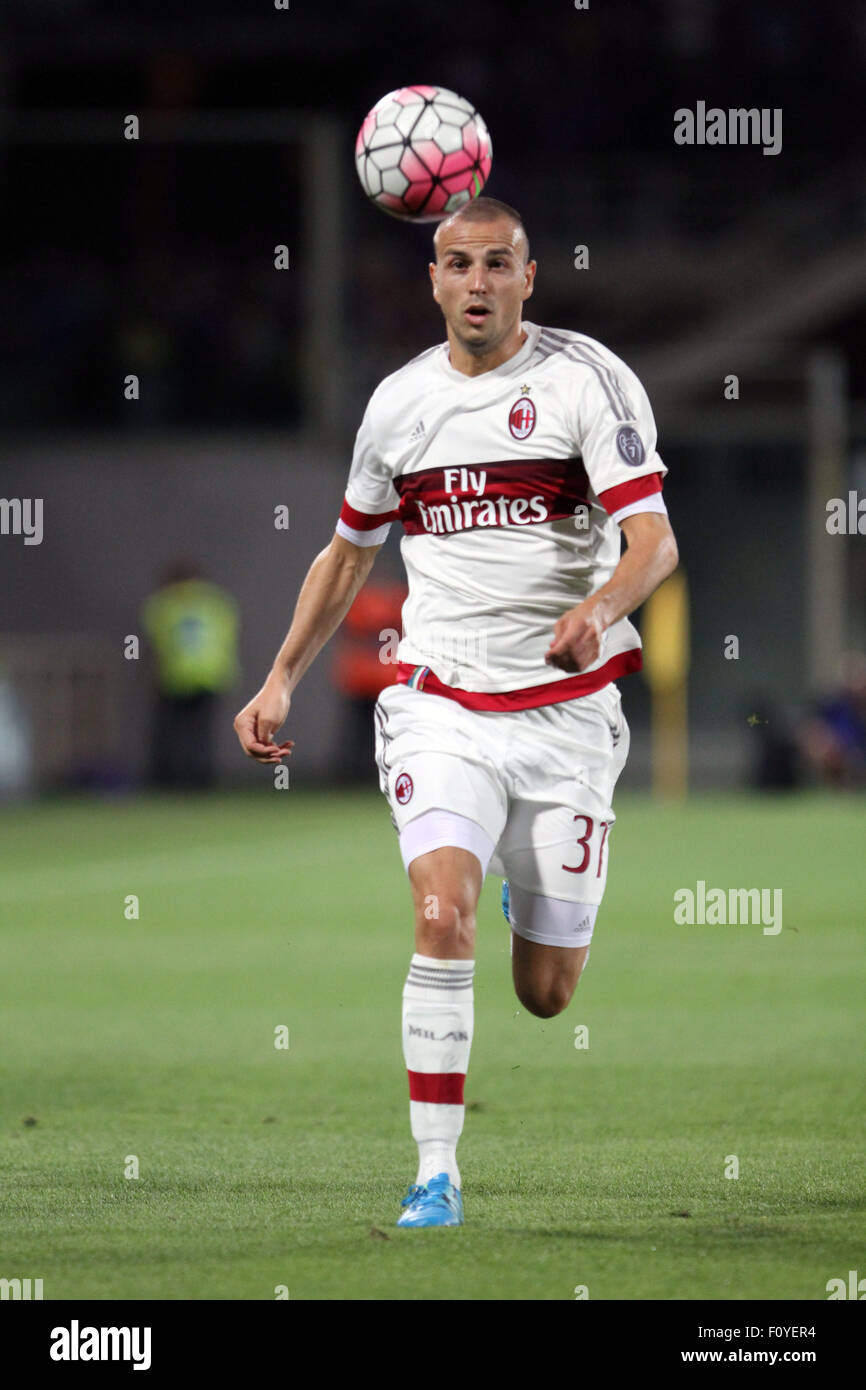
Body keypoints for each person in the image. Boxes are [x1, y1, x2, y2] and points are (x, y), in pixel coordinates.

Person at [233, 197, 678, 1228]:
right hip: (439, 701)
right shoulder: (397, 405)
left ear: (529, 278)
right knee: (439, 914)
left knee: (546, 992)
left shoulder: (585, 380)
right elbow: (349, 552)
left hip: (566, 714)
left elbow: (650, 540)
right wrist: (281, 675)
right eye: (455, 264)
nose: (475, 282)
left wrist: (598, 608)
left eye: (496, 264)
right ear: (430, 281)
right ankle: (436, 1171)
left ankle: (538, 892)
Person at [143, 559, 239, 788]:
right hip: (211, 675)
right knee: (201, 733)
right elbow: (227, 638)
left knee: (172, 731)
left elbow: (155, 644)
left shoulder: (162, 603)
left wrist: (148, 674)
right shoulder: (218, 602)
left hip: (175, 676)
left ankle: (169, 781)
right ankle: (200, 780)